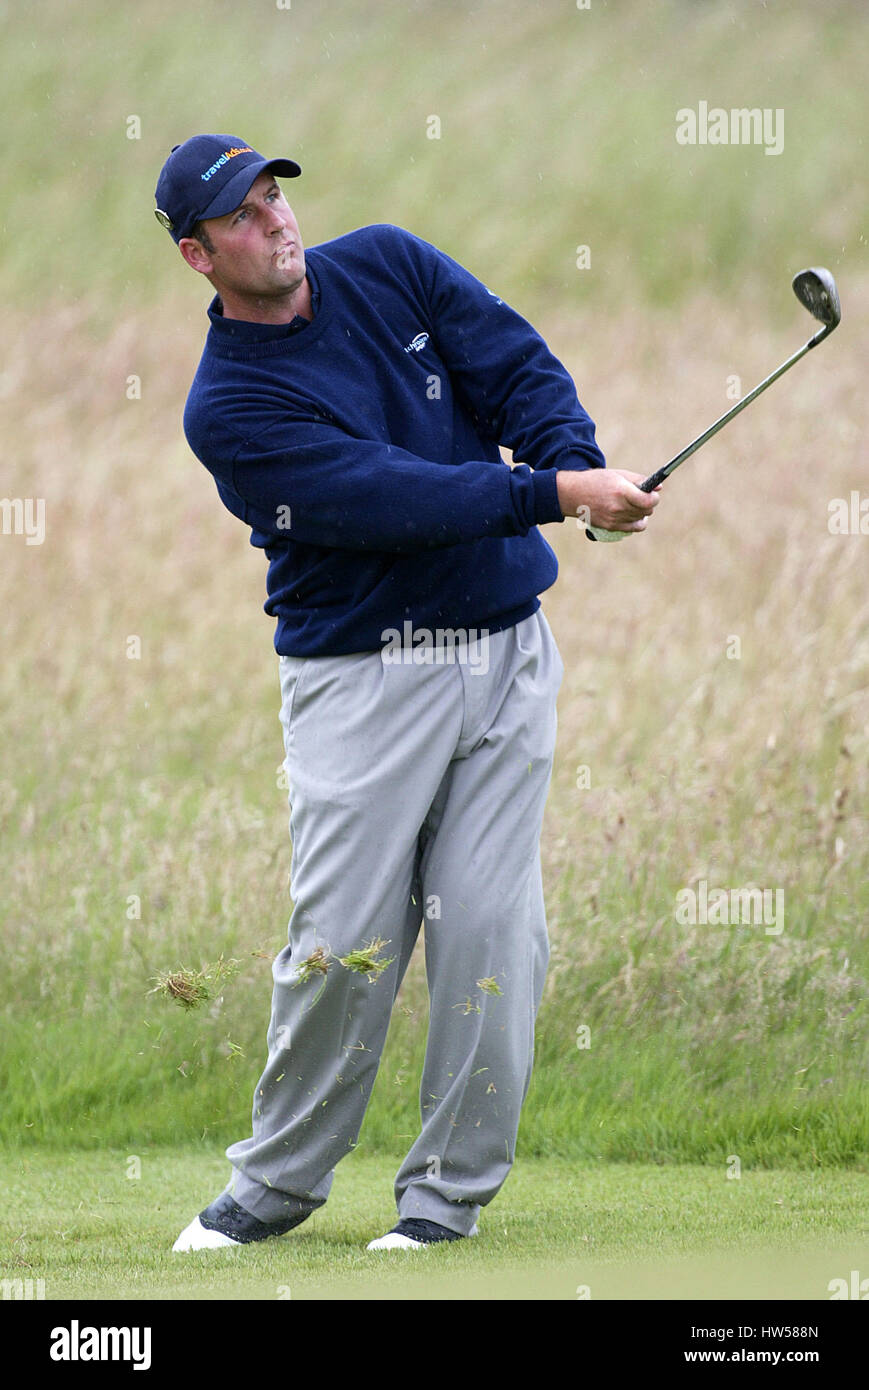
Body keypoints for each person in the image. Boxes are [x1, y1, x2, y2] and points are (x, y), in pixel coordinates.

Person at [154, 133, 660, 1253]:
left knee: (490, 931)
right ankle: (279, 1183)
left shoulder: (389, 262)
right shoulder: (228, 406)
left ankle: (442, 1201)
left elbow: (514, 368)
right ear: (198, 255)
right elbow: (391, 498)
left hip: (506, 652)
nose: (273, 218)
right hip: (360, 678)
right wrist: (552, 490)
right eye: (238, 214)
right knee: (343, 941)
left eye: (273, 194)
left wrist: (572, 468)